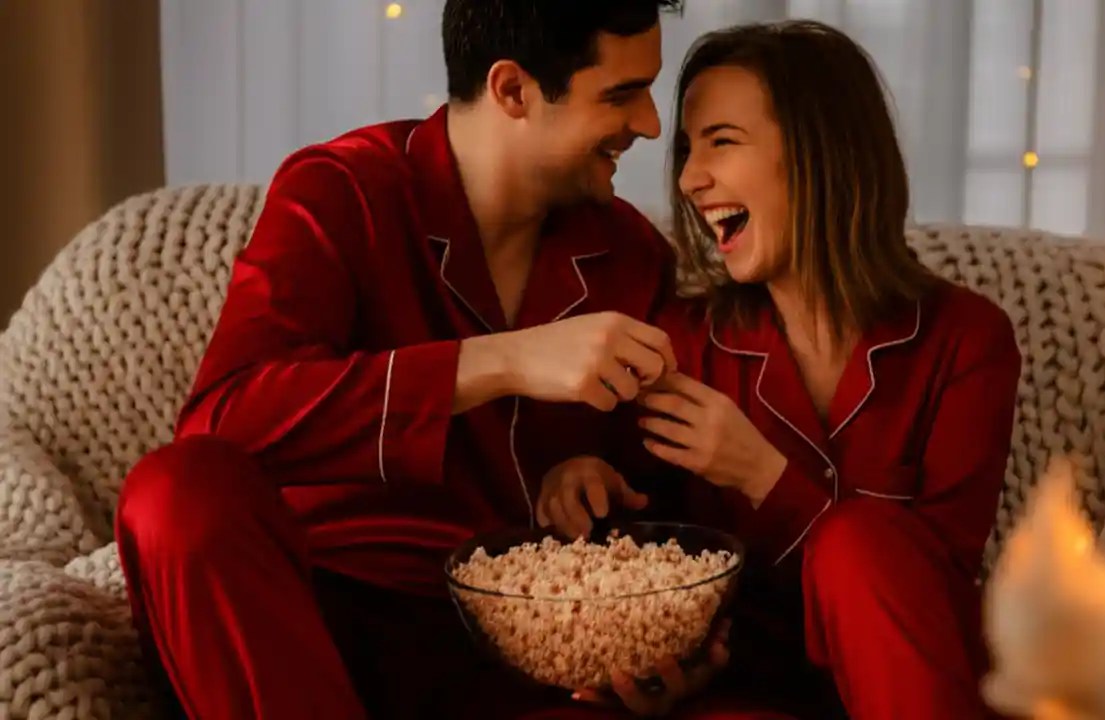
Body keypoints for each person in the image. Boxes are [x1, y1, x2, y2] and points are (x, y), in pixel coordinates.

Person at [110, 2, 728, 718]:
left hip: (513, 657)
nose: (651, 124)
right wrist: (496, 361)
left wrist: (598, 490)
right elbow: (224, 418)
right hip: (309, 626)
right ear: (512, 90)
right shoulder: (340, 193)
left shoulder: (632, 257)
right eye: (621, 94)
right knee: (175, 492)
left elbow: (661, 510)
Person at [538, 20, 1022, 719]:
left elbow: (929, 587)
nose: (689, 178)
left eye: (722, 142)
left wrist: (764, 478)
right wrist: (580, 481)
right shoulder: (683, 343)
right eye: (686, 149)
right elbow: (645, 546)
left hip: (918, 687)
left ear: (822, 154)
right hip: (750, 693)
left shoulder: (967, 340)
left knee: (863, 543)